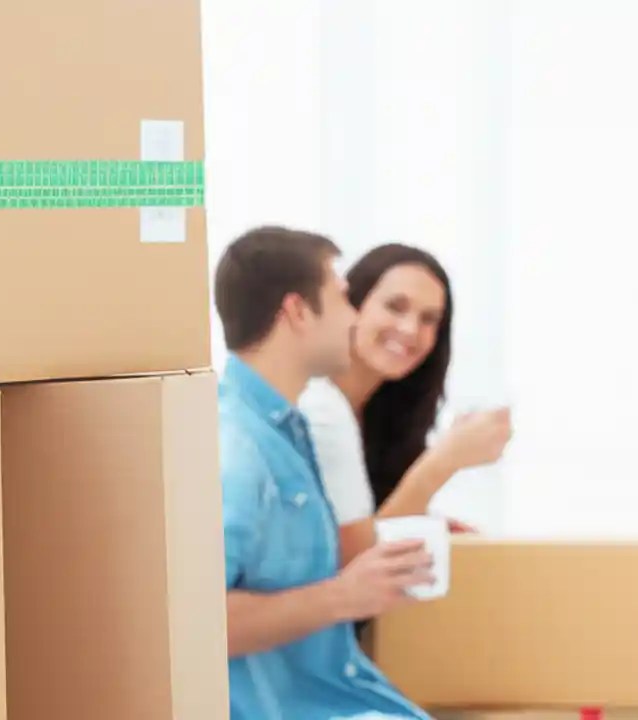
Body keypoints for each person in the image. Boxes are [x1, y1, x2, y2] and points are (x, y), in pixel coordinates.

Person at [215, 226, 434, 720]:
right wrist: (345, 595)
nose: (354, 318)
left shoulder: (288, 432)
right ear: (297, 311)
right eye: (342, 299)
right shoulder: (234, 449)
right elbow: (196, 624)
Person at [299, 243, 513, 569]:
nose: (410, 329)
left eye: (429, 319)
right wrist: (442, 463)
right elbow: (351, 564)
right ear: (352, 305)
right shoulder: (316, 410)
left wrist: (432, 525)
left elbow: (371, 526)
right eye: (395, 307)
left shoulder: (380, 416)